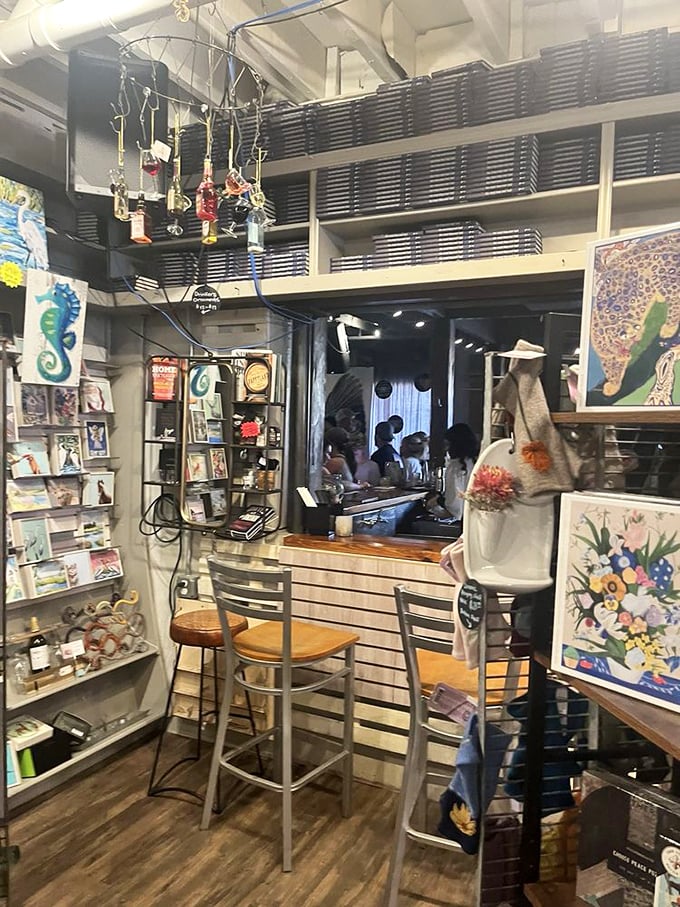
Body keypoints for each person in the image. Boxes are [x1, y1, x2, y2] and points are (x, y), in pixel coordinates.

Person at [444, 423, 480, 520]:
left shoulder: (455, 467)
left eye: (448, 444)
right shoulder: (476, 462)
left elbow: (454, 504)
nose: (446, 449)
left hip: (464, 519)